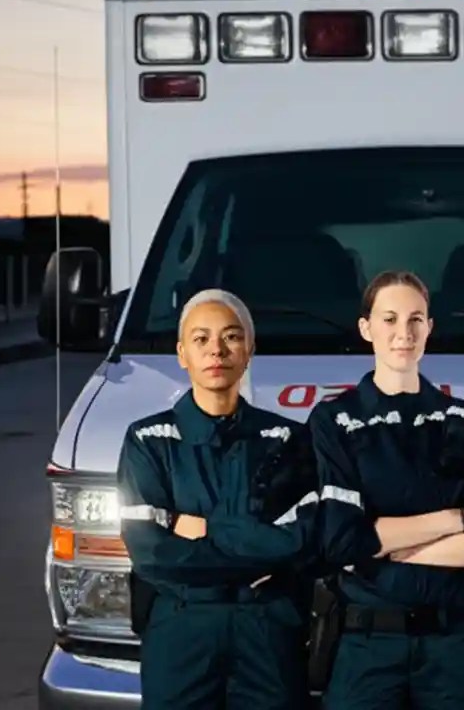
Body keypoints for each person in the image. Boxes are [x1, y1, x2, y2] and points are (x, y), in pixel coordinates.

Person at [309, 270, 464, 710]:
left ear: (430, 328)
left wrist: (382, 542)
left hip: (457, 643)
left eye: (416, 319)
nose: (404, 333)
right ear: (366, 329)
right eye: (390, 319)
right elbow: (341, 541)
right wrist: (450, 519)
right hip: (368, 644)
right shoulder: (335, 422)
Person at [115, 288, 320, 710]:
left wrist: (202, 527)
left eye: (231, 337)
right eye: (201, 339)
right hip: (181, 632)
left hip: (265, 628)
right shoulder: (149, 441)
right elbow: (152, 553)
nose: (217, 350)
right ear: (182, 353)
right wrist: (254, 541)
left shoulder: (286, 439)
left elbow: (300, 543)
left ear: (249, 350)